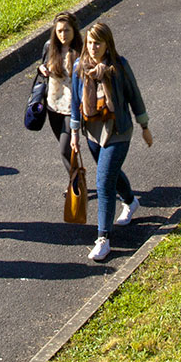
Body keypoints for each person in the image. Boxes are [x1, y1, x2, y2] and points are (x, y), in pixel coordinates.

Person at [68, 21, 151, 263]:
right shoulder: (79, 68)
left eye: (98, 43)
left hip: (118, 130)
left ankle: (103, 239)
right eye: (90, 43)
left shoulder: (119, 66)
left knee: (103, 181)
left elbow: (135, 96)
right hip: (92, 131)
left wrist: (144, 126)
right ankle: (130, 201)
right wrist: (74, 134)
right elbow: (75, 102)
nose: (93, 48)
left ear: (108, 44)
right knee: (111, 174)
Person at [37, 11, 83, 178]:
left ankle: (76, 182)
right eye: (60, 31)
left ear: (74, 31)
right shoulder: (50, 47)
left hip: (72, 108)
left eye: (67, 31)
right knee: (68, 149)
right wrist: (41, 69)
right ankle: (77, 178)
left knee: (64, 149)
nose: (63, 35)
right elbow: (43, 65)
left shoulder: (81, 50)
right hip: (53, 105)